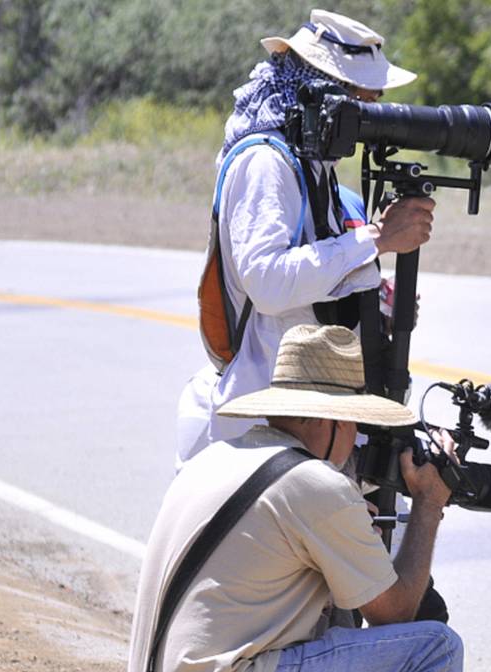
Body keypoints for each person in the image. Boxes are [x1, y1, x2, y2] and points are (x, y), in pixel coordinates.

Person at [129, 324, 462, 672]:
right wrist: (429, 504)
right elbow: (396, 613)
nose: (353, 439)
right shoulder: (314, 484)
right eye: (352, 424)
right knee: (435, 650)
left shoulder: (215, 459)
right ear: (328, 421)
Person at [176, 8, 435, 465]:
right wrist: (376, 239)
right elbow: (269, 283)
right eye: (366, 98)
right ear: (325, 94)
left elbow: (316, 283)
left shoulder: (317, 172)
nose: (375, 112)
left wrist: (374, 297)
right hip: (264, 420)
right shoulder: (265, 162)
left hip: (313, 414)